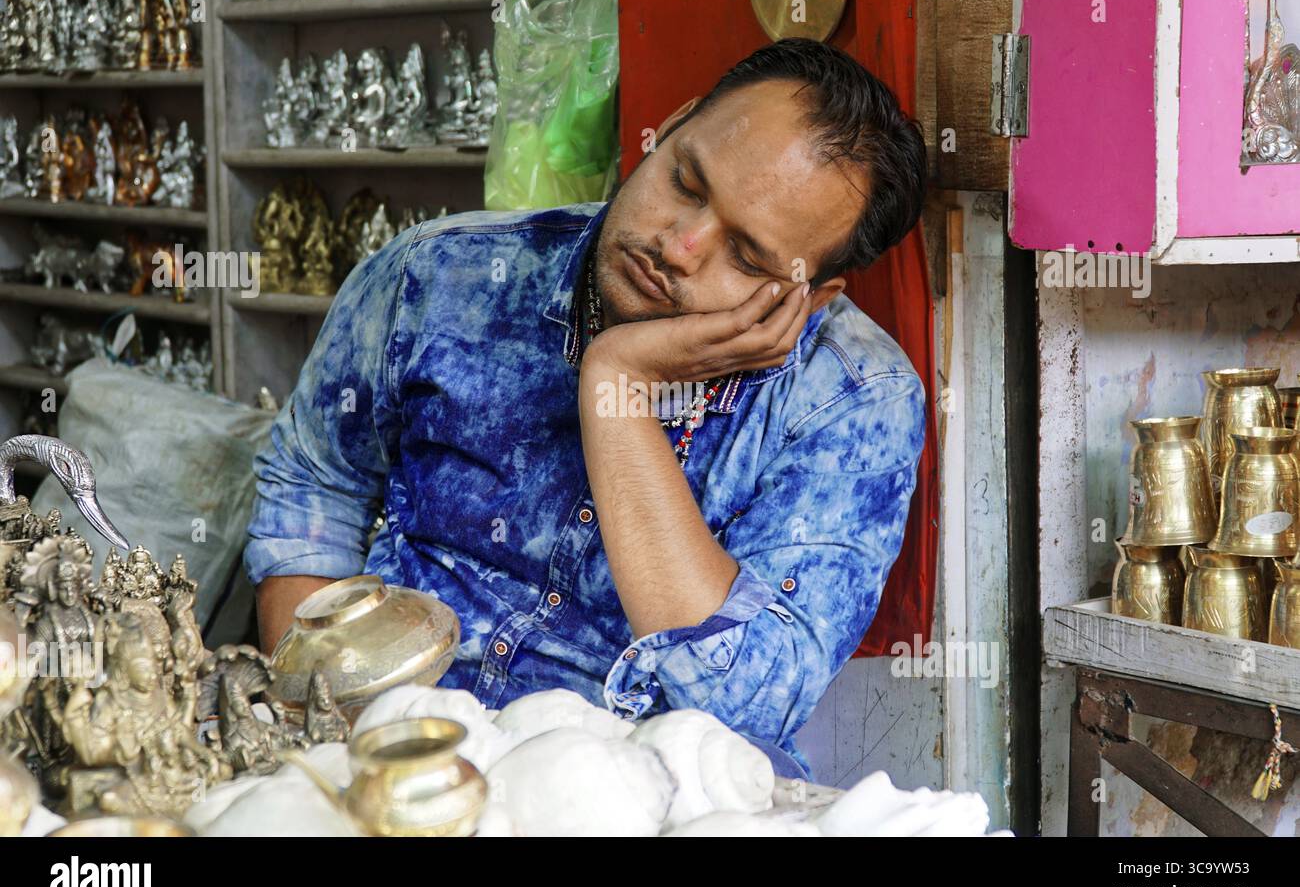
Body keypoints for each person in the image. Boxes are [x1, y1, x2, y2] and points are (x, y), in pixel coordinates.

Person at [246, 38, 928, 779]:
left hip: (642, 800)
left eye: (747, 256)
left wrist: (619, 388)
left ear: (809, 293)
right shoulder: (437, 277)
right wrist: (314, 730)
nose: (679, 244)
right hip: (392, 756)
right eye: (686, 182)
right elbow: (314, 482)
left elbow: (749, 704)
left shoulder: (854, 402)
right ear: (671, 125)